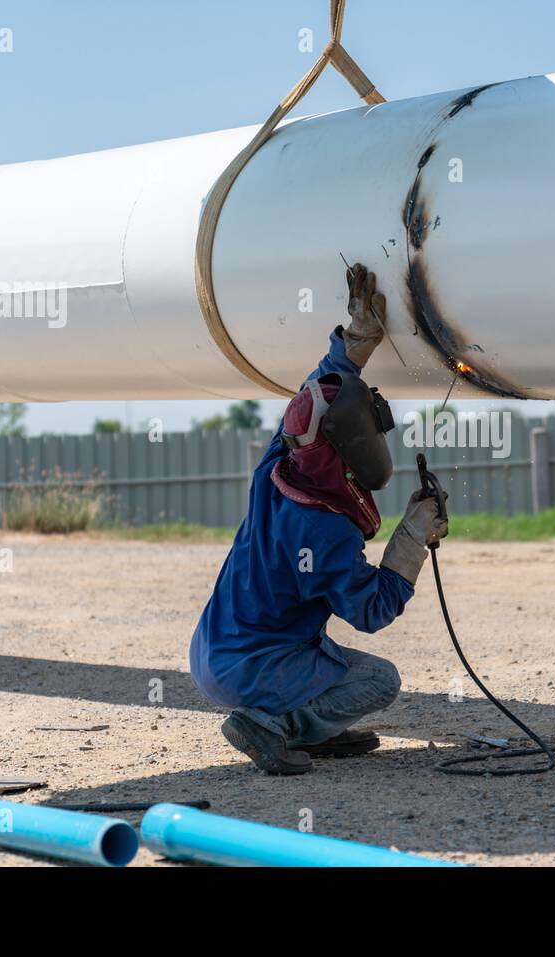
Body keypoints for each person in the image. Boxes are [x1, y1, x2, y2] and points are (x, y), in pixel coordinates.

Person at [190, 263, 448, 775]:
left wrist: (357, 338)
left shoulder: (281, 461)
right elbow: (373, 611)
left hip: (215, 646)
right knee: (379, 681)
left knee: (319, 643)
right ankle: (275, 726)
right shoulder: (325, 527)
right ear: (350, 447)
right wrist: (415, 533)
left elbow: (319, 391)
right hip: (253, 667)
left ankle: (314, 728)